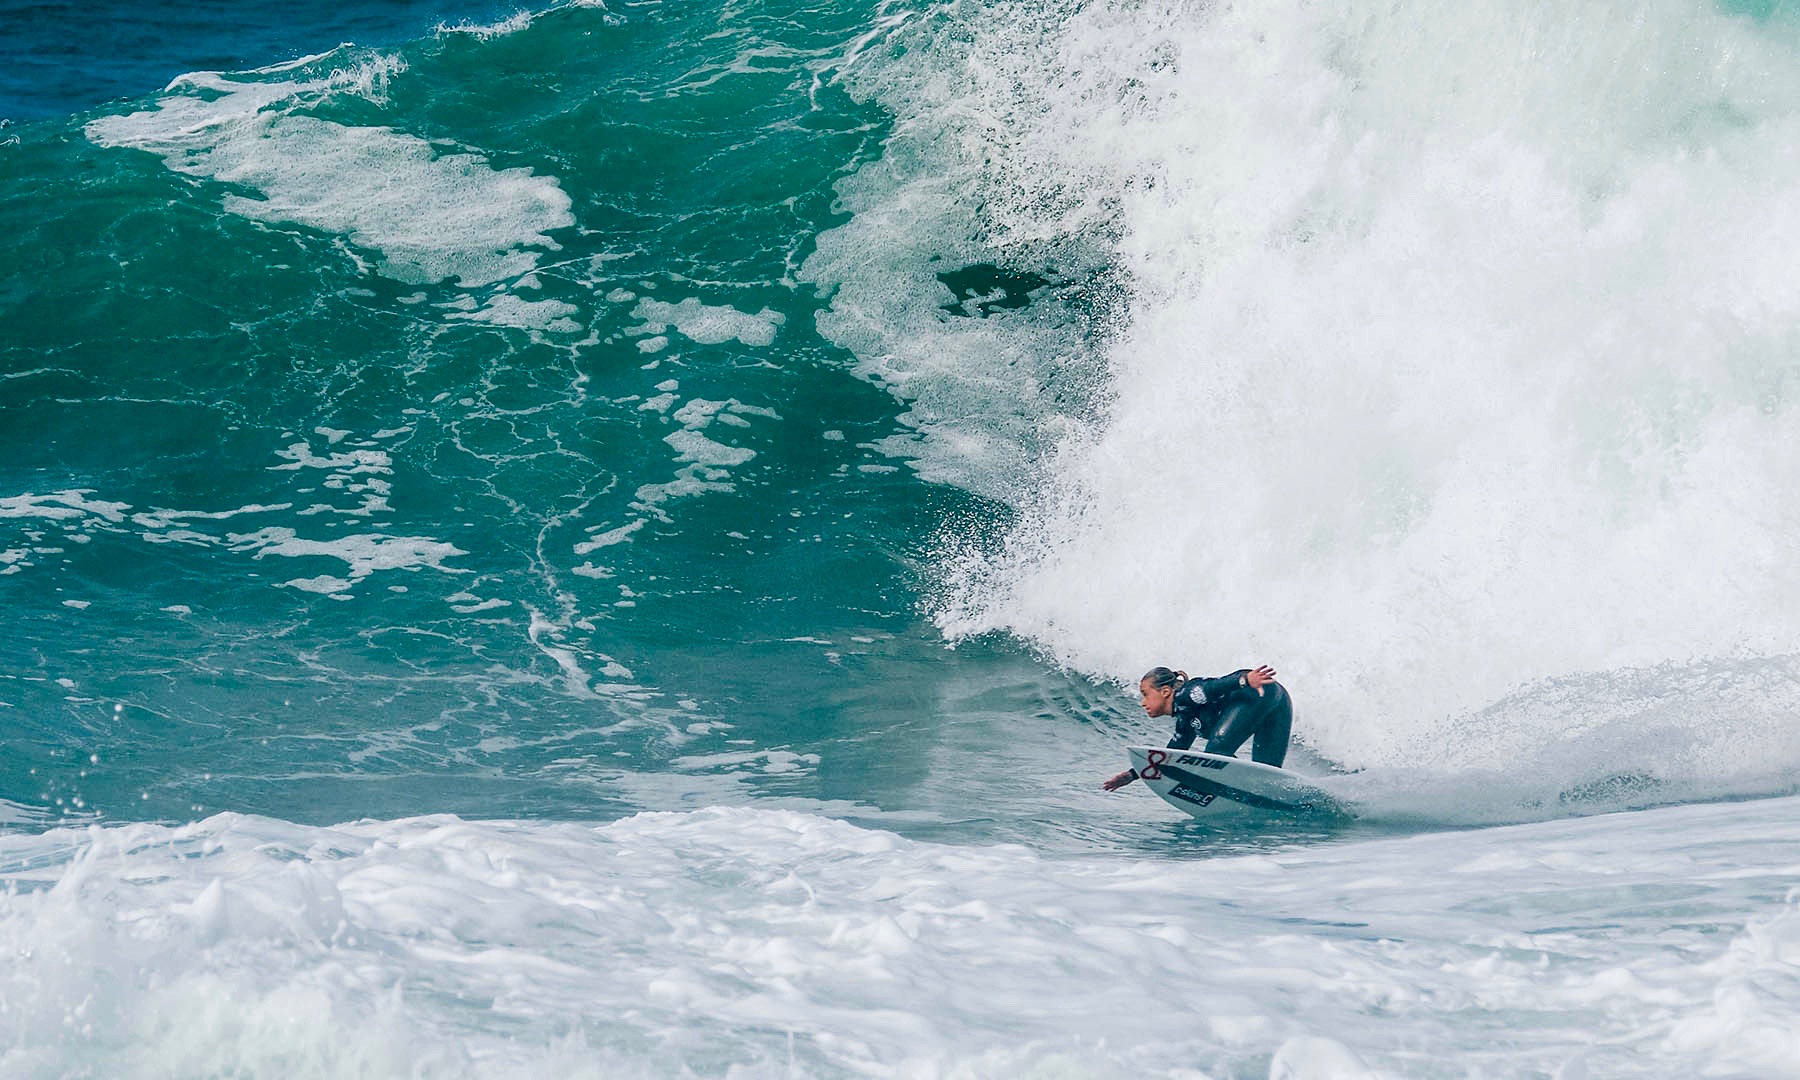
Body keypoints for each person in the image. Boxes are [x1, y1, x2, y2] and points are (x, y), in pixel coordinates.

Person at [1102, 664, 1293, 791]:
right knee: (1268, 774)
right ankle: (1285, 800)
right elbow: (1173, 753)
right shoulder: (1185, 719)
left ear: (1165, 691)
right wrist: (1132, 774)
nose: (1143, 702)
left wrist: (1244, 679)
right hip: (1278, 698)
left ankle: (1240, 791)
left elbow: (1214, 686)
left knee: (1216, 751)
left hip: (1257, 688)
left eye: (1145, 694)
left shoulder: (1187, 695)